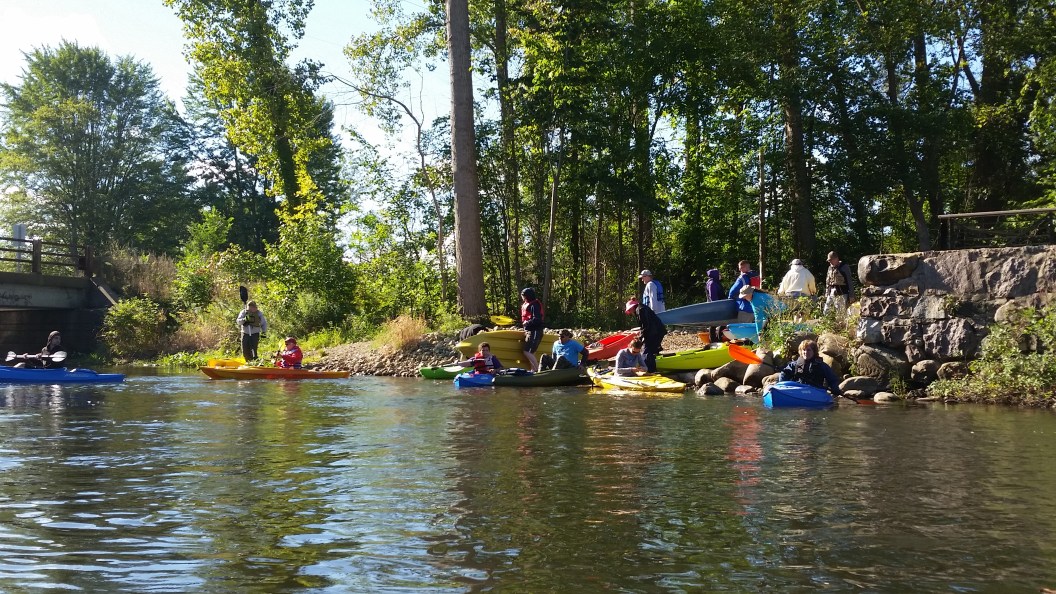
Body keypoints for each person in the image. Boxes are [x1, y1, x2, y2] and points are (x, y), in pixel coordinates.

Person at [779, 339, 843, 396]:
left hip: (815, 391)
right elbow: (784, 373)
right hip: (798, 390)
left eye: (808, 350)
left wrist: (835, 389)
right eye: (804, 350)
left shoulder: (821, 366)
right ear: (801, 351)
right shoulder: (794, 364)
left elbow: (832, 379)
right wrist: (782, 386)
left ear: (814, 352)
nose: (806, 352)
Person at [625, 297, 666, 373]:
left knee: (646, 350)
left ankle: (650, 370)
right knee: (651, 349)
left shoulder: (641, 310)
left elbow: (646, 326)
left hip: (655, 332)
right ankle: (655, 366)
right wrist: (641, 336)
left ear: (632, 307)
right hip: (658, 330)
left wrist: (641, 338)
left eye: (629, 310)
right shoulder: (640, 309)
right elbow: (645, 326)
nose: (630, 312)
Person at [519, 287, 545, 371]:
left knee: (527, 351)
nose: (522, 297)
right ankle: (532, 370)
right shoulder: (528, 304)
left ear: (527, 296)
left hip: (535, 331)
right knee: (531, 352)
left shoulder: (534, 305)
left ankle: (537, 370)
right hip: (530, 331)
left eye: (523, 296)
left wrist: (527, 323)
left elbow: (537, 319)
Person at [823, 251, 855, 316]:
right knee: (826, 310)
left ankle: (840, 324)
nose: (830, 262)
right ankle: (826, 322)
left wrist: (851, 295)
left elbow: (849, 281)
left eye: (831, 260)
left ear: (836, 259)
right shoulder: (830, 268)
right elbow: (827, 282)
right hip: (831, 292)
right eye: (829, 261)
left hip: (842, 293)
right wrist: (827, 292)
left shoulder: (844, 267)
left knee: (840, 312)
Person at [705, 269, 725, 342]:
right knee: (714, 324)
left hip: (717, 305)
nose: (720, 275)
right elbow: (713, 296)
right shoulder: (712, 283)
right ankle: (714, 339)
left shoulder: (715, 282)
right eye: (719, 274)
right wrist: (717, 306)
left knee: (722, 322)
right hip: (715, 306)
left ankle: (718, 338)